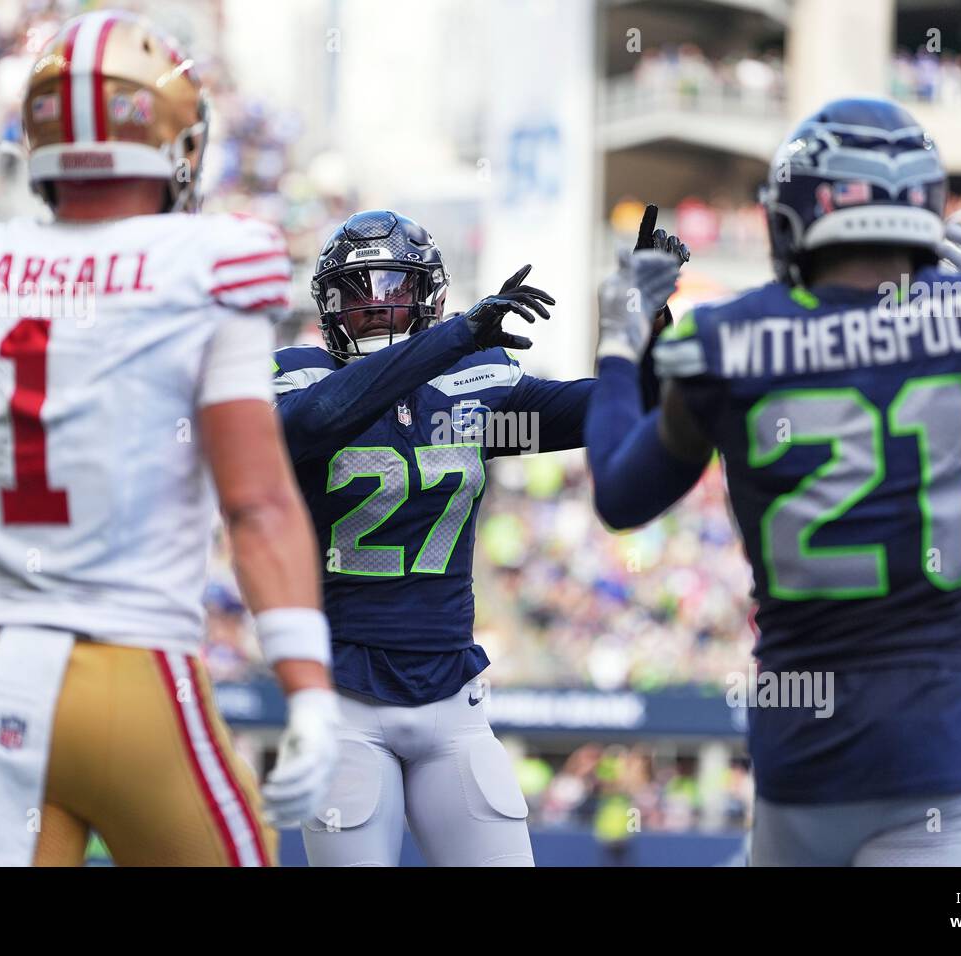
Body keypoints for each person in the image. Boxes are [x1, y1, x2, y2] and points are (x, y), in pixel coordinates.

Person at [585, 97, 961, 866]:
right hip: (943, 750)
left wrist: (619, 336)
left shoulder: (724, 342)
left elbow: (619, 494)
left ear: (794, 215)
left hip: (798, 762)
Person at [0, 9, 338, 866]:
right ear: (174, 141)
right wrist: (309, 690)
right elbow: (255, 505)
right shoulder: (211, 261)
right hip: (135, 680)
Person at [274, 208, 686, 866]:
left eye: (396, 294)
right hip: (345, 701)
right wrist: (455, 338)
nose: (379, 312)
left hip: (452, 702)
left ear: (429, 299)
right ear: (328, 309)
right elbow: (312, 423)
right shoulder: (300, 378)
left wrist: (642, 319)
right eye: (360, 298)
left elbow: (621, 403)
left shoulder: (475, 392)